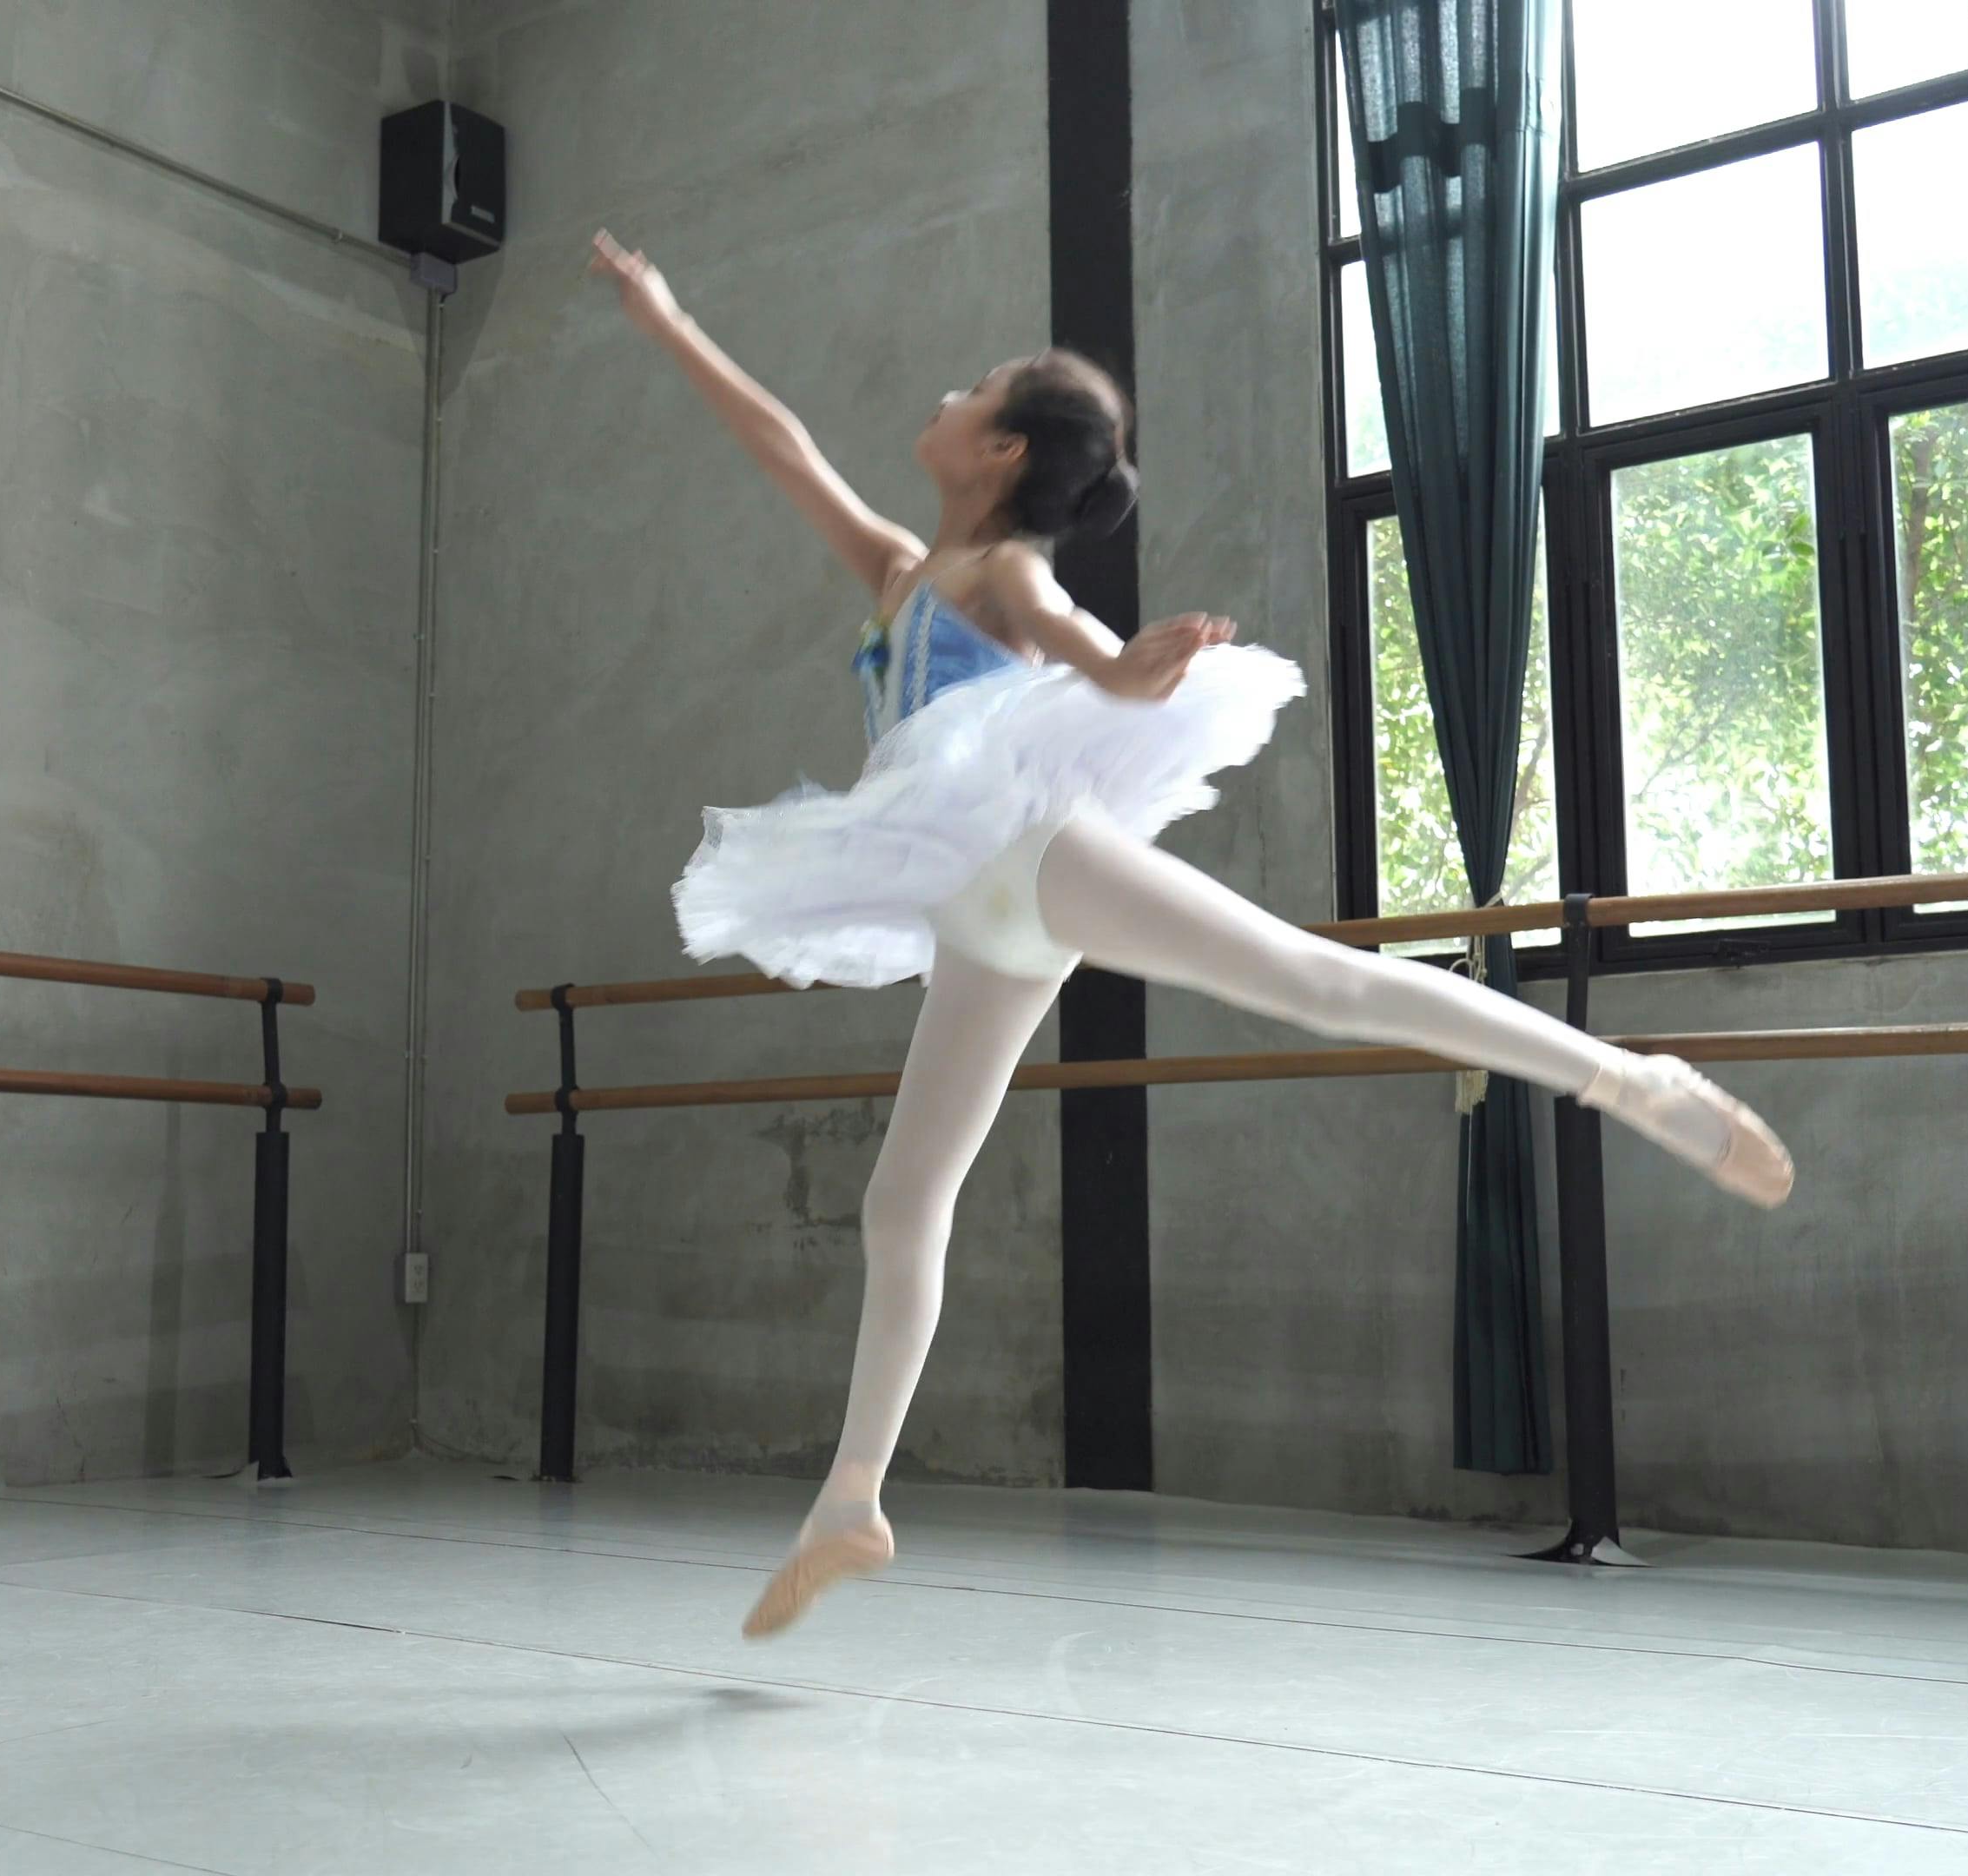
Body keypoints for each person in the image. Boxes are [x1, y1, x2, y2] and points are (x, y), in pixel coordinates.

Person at [586, 231, 1792, 1640]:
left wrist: (1127, 667)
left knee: (1311, 978)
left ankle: (1626, 1079)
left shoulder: (1008, 578)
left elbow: (1080, 651)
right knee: (902, 1202)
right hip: (976, 915)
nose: (944, 390)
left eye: (973, 389)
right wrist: (667, 319)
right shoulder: (903, 565)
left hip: (1033, 853)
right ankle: (853, 1499)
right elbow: (784, 444)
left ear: (1002, 454)